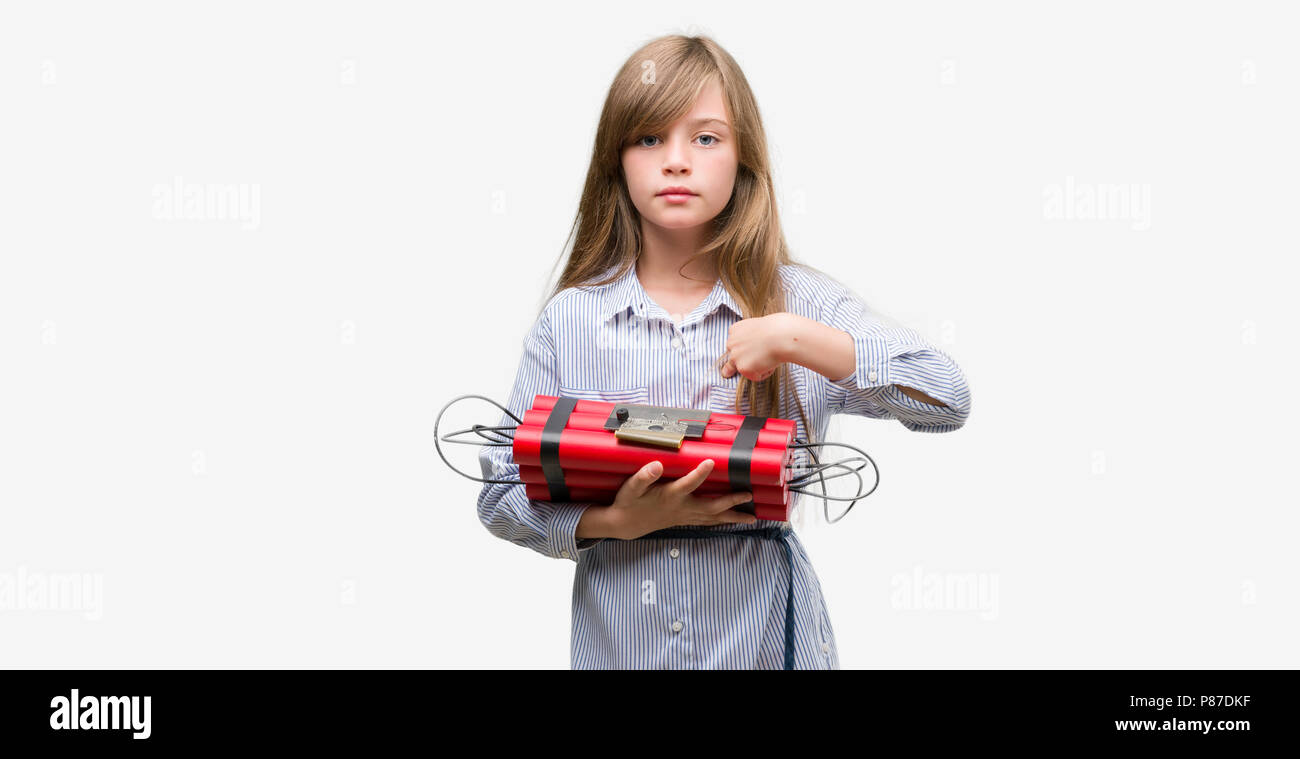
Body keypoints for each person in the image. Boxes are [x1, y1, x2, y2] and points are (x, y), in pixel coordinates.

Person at [477, 34, 971, 669]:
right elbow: (498, 494)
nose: (676, 161)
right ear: (616, 159)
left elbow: (946, 398)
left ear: (743, 159)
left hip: (763, 644)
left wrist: (796, 339)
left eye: (706, 138)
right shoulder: (572, 318)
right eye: (649, 138)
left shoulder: (799, 301)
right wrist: (612, 522)